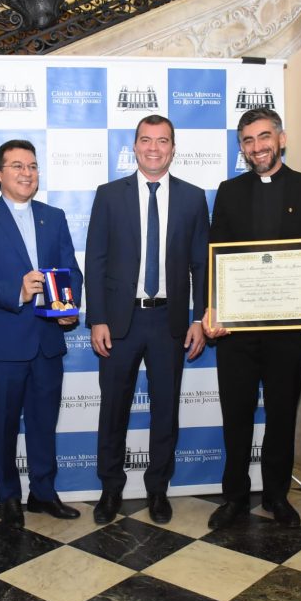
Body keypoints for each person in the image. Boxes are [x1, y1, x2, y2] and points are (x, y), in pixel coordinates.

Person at [203, 107, 301, 530]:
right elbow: (216, 255)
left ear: (281, 138)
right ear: (241, 147)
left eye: (264, 137)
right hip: (237, 331)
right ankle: (235, 497)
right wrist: (213, 307)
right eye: (247, 140)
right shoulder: (228, 190)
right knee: (236, 417)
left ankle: (277, 496)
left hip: (289, 330)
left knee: (281, 415)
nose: (257, 147)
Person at [86, 115, 209, 525]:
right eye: (145, 140)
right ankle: (110, 490)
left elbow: (200, 266)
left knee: (165, 411)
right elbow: (96, 260)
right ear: (134, 146)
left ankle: (158, 489)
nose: (153, 148)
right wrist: (97, 319)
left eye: (162, 141)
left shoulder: (193, 198)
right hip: (120, 322)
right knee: (113, 410)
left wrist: (199, 317)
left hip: (169, 322)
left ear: (173, 148)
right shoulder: (109, 195)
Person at [0, 139, 83, 526]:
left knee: (44, 423)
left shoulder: (55, 215)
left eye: (31, 166)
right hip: (3, 345)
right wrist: (18, 289)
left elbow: (71, 271)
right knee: (4, 425)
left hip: (48, 341)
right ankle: (9, 497)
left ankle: (43, 494)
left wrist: (69, 309)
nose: (26, 173)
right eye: (16, 166)